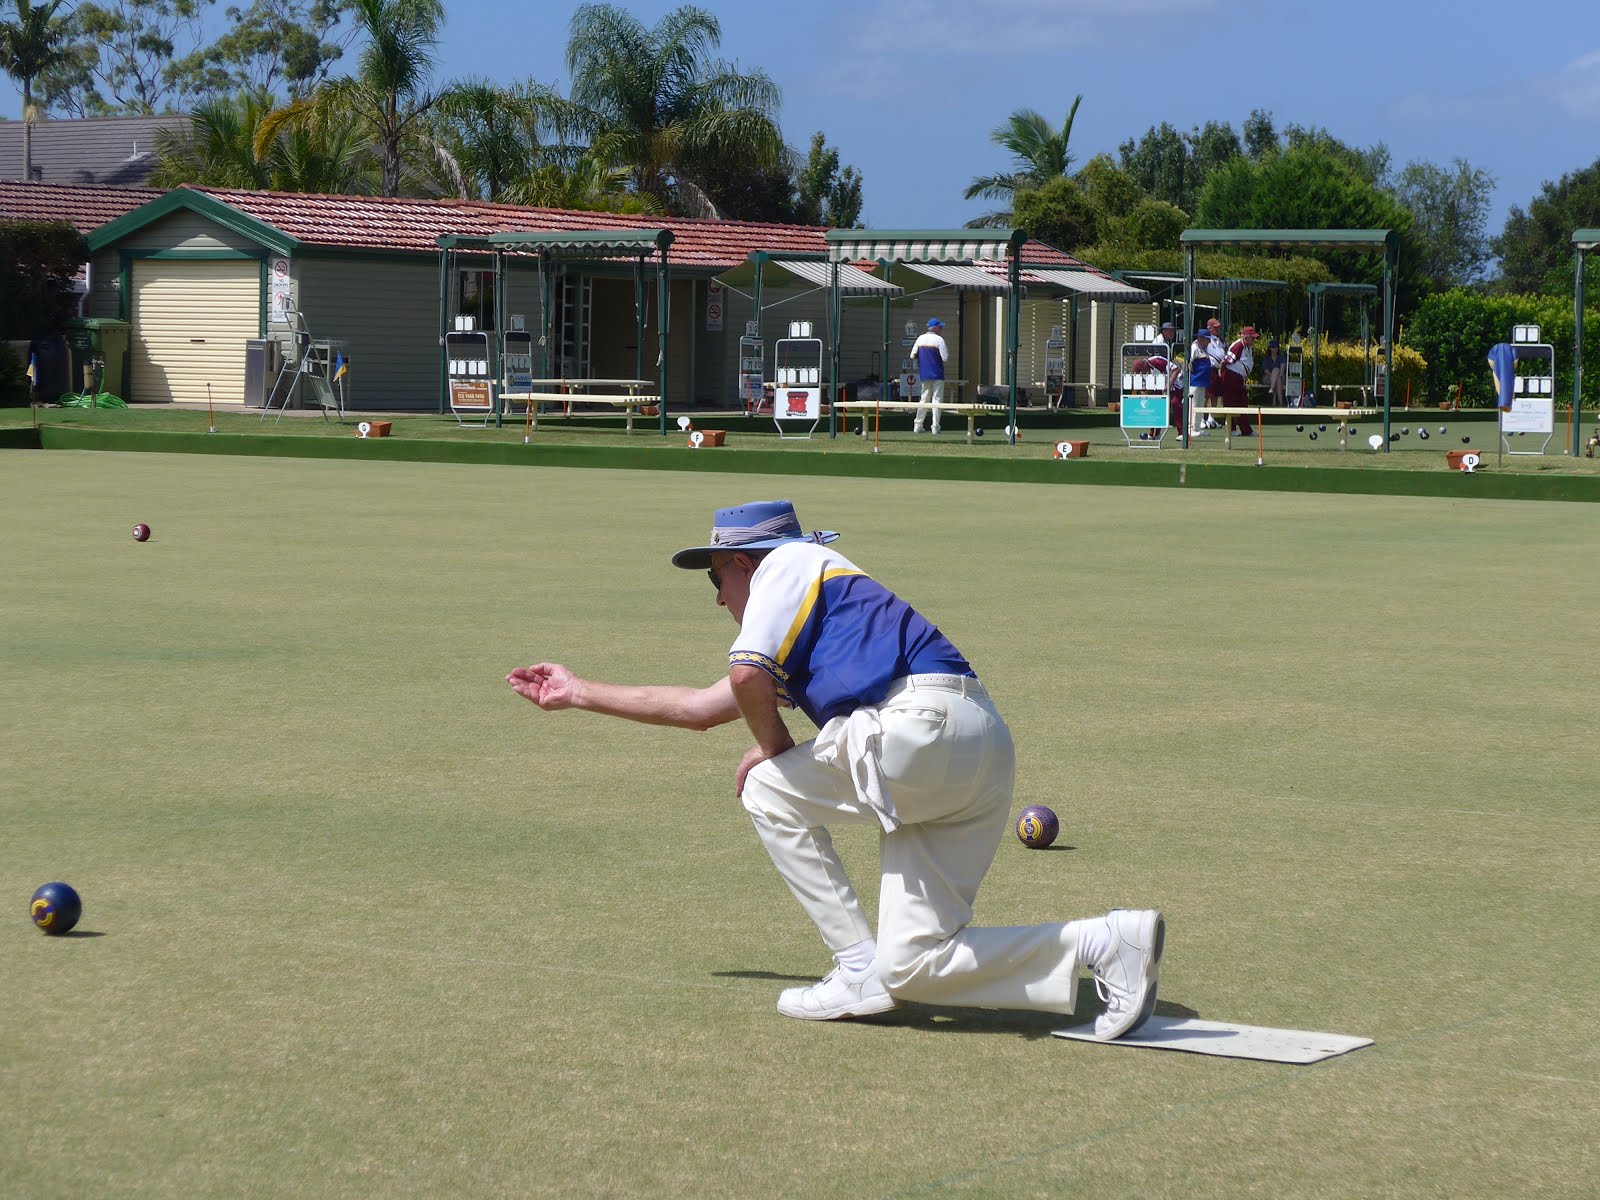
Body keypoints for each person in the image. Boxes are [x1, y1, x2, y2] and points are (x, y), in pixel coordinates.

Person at [506, 499, 1166, 1039]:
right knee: (912, 968)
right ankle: (1106, 943)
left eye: (716, 580)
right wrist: (578, 691)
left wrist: (772, 746)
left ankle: (853, 968)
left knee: (767, 785)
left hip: (920, 732)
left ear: (744, 563)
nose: (717, 599)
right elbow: (704, 708)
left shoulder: (789, 564)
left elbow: (744, 677)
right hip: (972, 750)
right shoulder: (815, 623)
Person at [910, 318, 948, 434]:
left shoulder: (920, 339)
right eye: (940, 327)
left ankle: (918, 425)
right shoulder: (939, 340)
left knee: (924, 399)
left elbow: (912, 355)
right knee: (937, 400)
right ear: (935, 328)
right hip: (937, 374)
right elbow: (945, 358)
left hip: (925, 374)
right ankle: (935, 427)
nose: (941, 329)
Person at [1219, 326, 1258, 437]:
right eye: (1252, 338)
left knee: (1243, 403)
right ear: (1245, 338)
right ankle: (1230, 429)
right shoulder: (1238, 346)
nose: (1254, 340)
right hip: (1231, 377)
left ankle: (1246, 430)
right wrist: (1222, 375)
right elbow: (1226, 361)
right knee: (1230, 403)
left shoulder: (1247, 347)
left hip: (1240, 378)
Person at [1261, 338, 1286, 406]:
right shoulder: (1266, 359)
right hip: (1268, 377)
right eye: (1273, 347)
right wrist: (1273, 376)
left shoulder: (1281, 358)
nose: (1275, 349)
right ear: (1270, 348)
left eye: (1276, 347)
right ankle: (1280, 402)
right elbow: (1266, 371)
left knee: (1277, 372)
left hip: (1281, 377)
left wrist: (1276, 375)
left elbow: (1282, 370)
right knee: (1276, 377)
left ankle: (1271, 389)